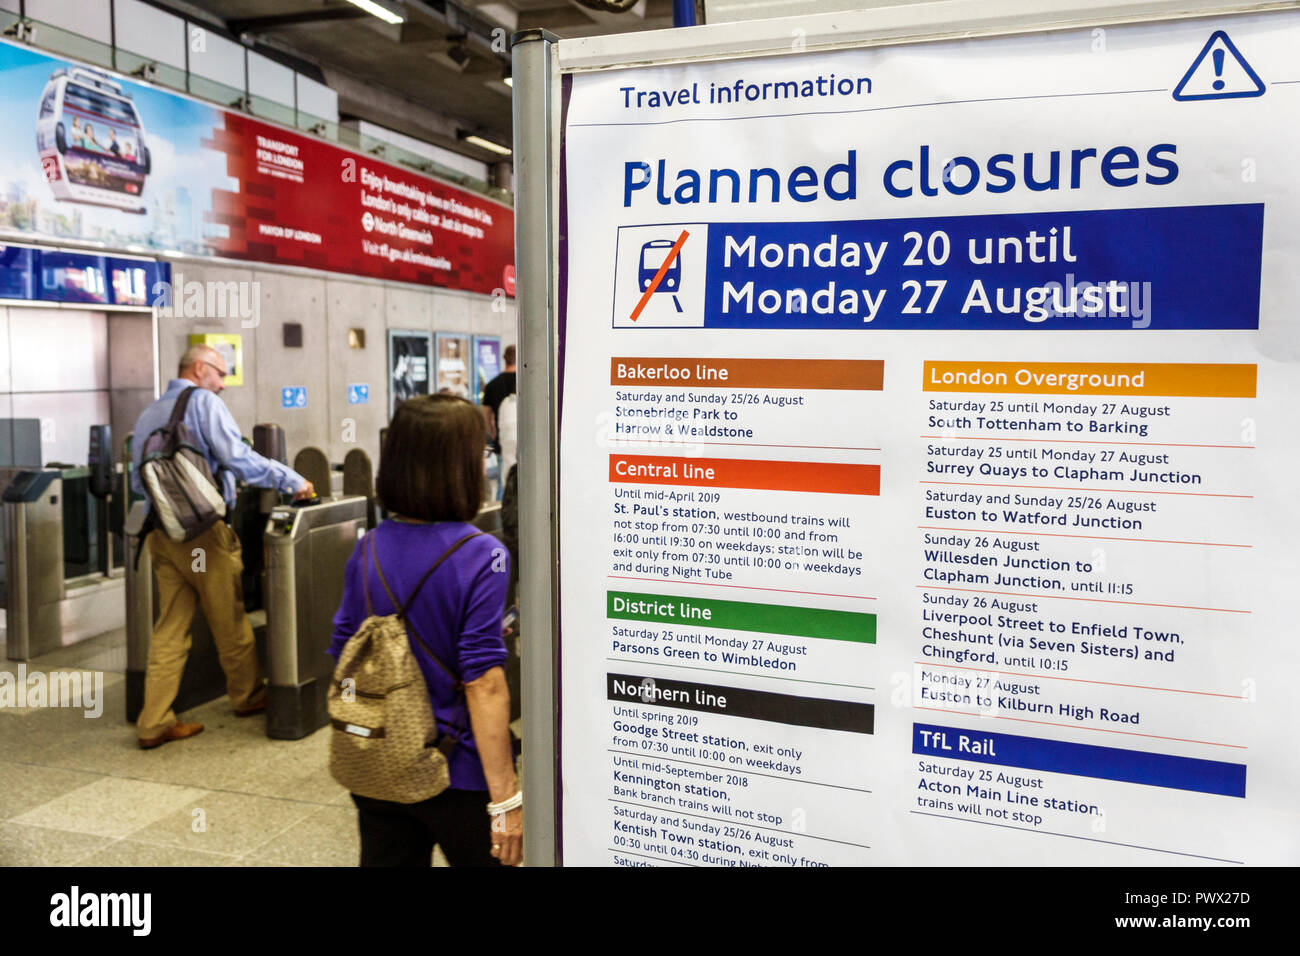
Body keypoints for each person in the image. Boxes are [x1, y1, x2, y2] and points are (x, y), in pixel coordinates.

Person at [329, 394, 521, 867]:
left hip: (380, 766)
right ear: (461, 466)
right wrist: (506, 800)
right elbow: (484, 682)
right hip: (459, 774)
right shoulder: (483, 554)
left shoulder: (368, 548)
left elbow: (343, 650)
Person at [130, 345, 314, 749]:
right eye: (220, 373)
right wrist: (292, 480)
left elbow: (134, 482)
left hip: (161, 533)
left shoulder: (148, 414)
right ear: (200, 369)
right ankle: (247, 697)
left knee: (170, 628)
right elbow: (239, 459)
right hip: (204, 534)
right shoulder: (202, 404)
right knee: (228, 617)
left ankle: (153, 721)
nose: (224, 383)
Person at [480, 344, 516, 446]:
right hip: (526, 442)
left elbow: (486, 415)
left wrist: (493, 435)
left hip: (502, 441)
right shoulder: (526, 383)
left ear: (504, 358)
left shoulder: (492, 384)